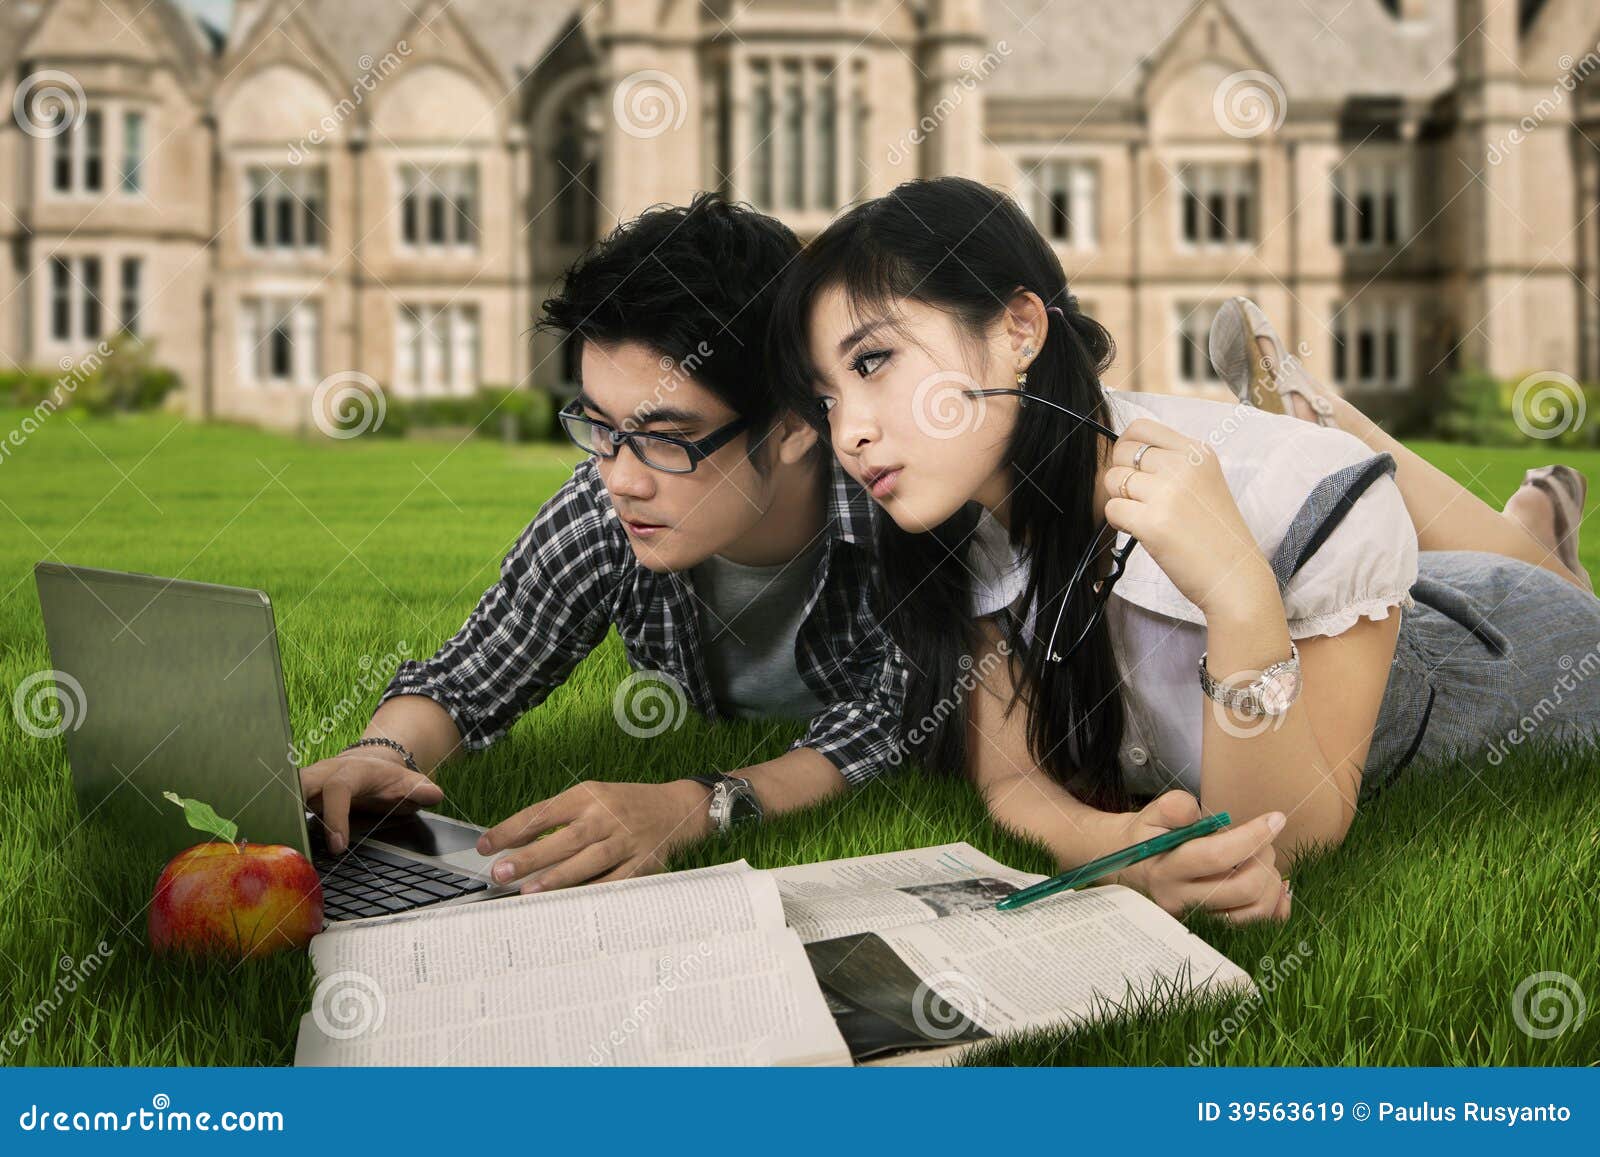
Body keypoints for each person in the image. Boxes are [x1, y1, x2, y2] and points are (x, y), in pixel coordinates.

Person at [768, 175, 1600, 925]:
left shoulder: (1287, 494)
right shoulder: (961, 518)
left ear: (1021, 328)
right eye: (827, 397)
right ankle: (1522, 511)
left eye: (874, 361)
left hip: (1509, 650)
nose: (851, 431)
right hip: (1391, 585)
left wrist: (1238, 593)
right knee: (1477, 537)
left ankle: (1375, 451)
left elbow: (1288, 835)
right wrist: (1119, 848)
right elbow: (1012, 779)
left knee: (1560, 592)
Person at [297, 193, 912, 893]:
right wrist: (380, 750)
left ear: (796, 423)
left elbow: (894, 719)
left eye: (667, 439)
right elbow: (473, 670)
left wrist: (697, 804)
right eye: (599, 426)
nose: (621, 478)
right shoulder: (603, 506)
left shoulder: (897, 506)